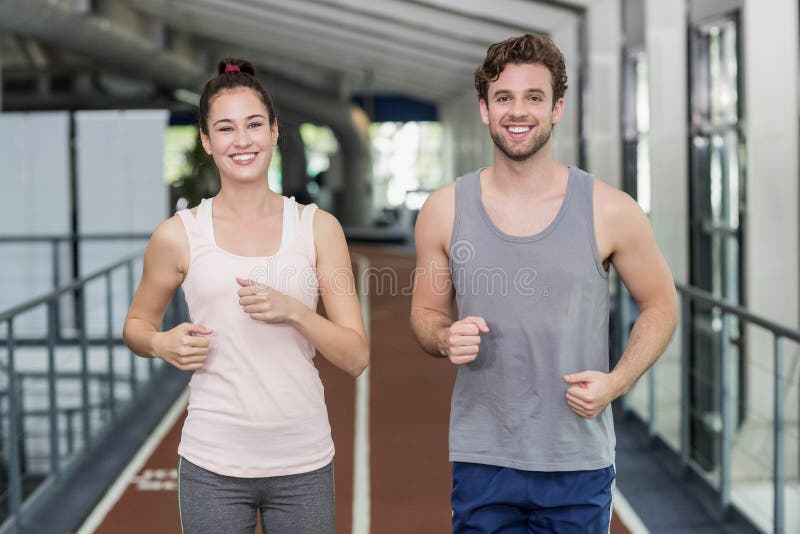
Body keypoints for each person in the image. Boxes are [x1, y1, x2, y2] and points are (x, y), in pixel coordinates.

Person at [410, 34, 678, 533]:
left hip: (577, 459)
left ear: (556, 109)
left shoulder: (611, 210)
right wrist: (444, 337)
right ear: (485, 110)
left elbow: (661, 304)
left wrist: (616, 383)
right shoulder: (444, 209)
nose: (518, 111)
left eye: (534, 97)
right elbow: (425, 315)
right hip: (483, 456)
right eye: (504, 98)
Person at [123, 58, 368, 534]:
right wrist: (160, 344)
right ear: (206, 140)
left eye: (254, 124)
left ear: (275, 132)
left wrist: (294, 312)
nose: (242, 140)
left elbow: (355, 355)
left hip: (303, 461)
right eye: (226, 128)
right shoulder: (179, 235)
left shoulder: (319, 229)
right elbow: (136, 326)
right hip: (212, 463)